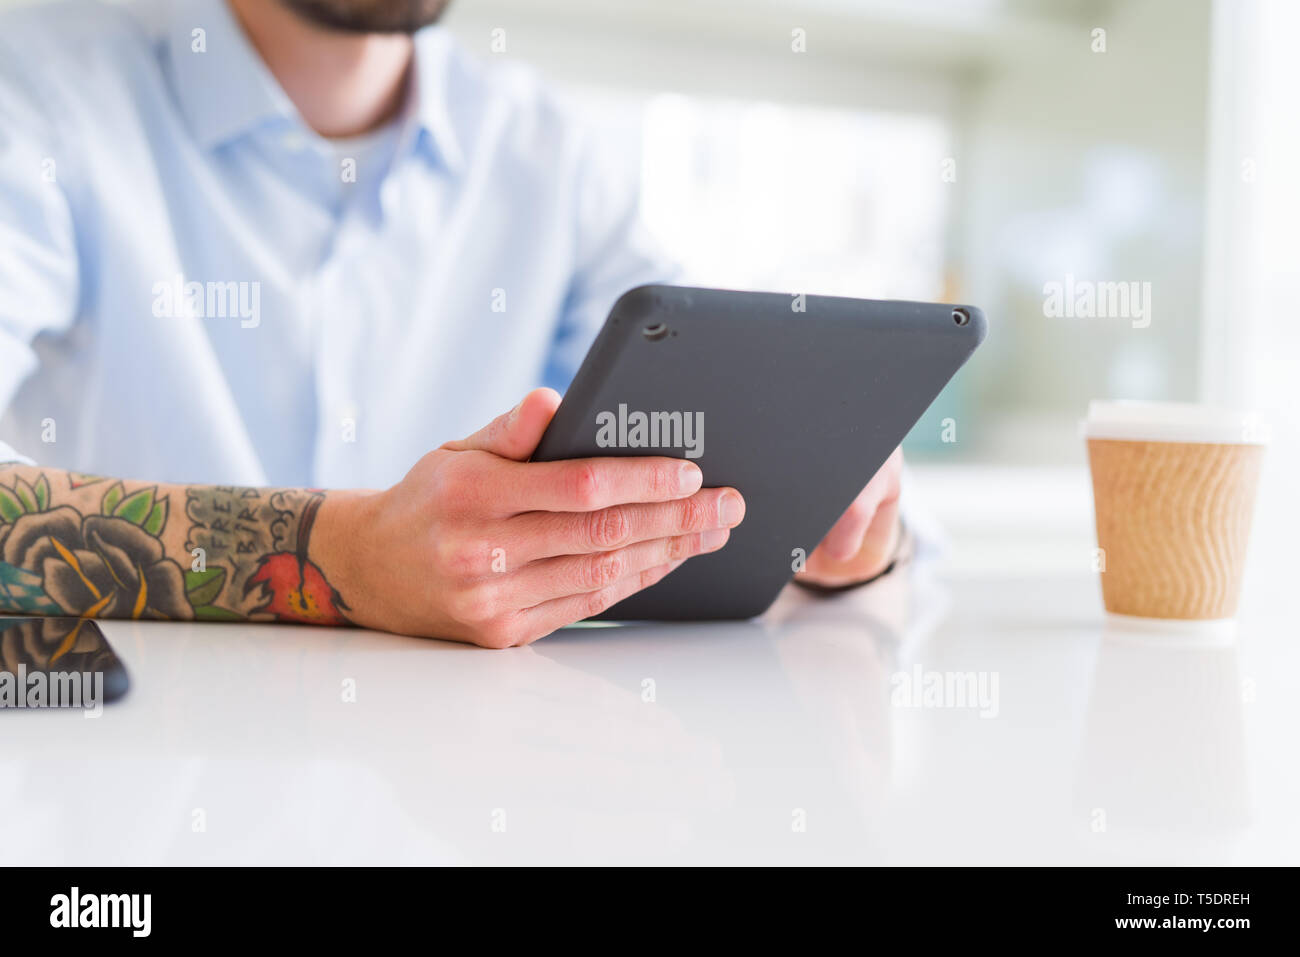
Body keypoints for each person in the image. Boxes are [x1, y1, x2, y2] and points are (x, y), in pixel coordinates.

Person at [0, 0, 908, 647]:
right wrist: (345, 555)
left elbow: (760, 449)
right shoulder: (40, 92)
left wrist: (835, 528)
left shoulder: (549, 152)